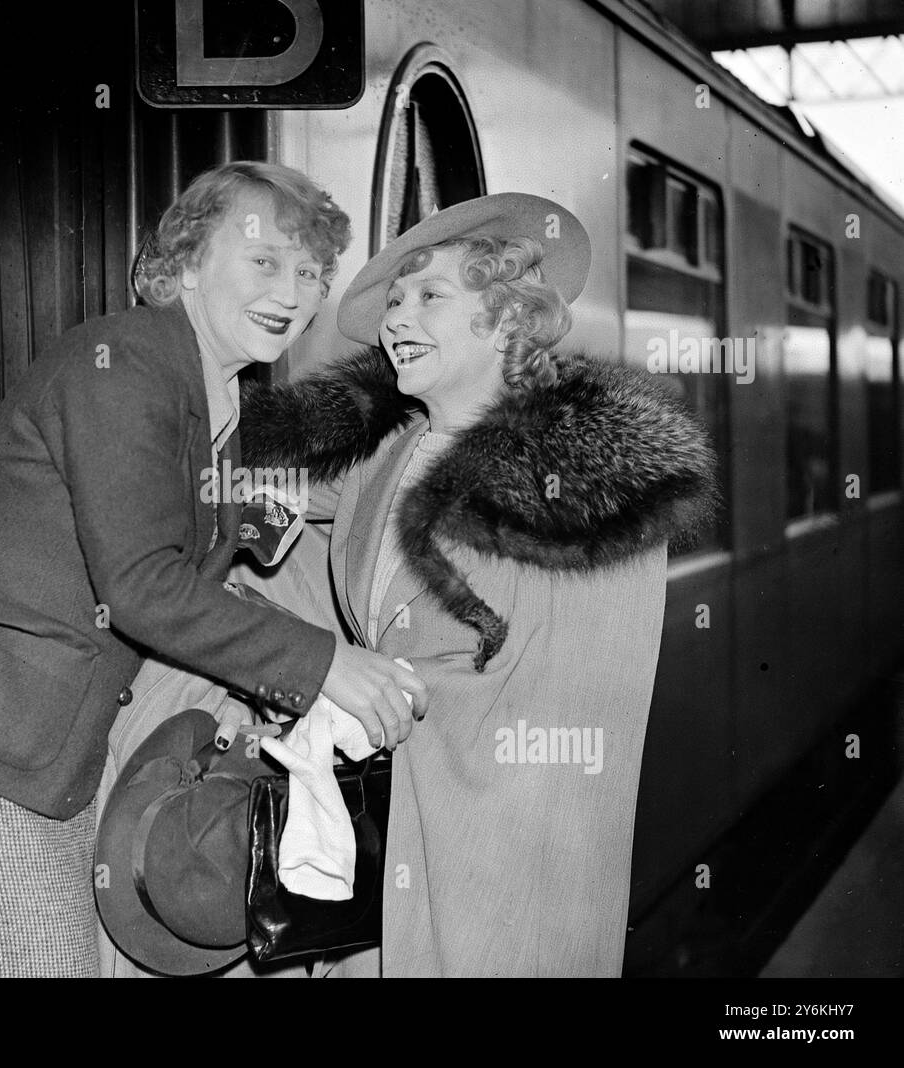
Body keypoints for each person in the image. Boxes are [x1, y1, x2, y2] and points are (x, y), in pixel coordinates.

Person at [0, 161, 428, 977]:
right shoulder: (126, 363)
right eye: (264, 260)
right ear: (189, 263)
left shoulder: (211, 394)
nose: (293, 292)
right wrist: (324, 665)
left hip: (39, 744)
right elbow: (142, 586)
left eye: (312, 273)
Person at [237, 192, 719, 976]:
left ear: (505, 321)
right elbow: (264, 517)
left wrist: (365, 697)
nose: (397, 320)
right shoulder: (386, 460)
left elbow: (571, 699)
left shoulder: (585, 483)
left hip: (506, 878)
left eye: (429, 296)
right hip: (389, 857)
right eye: (394, 301)